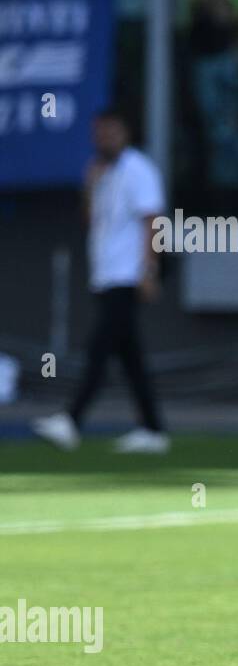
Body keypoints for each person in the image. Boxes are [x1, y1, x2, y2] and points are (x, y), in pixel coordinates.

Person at [32, 108, 169, 454]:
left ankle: (71, 419)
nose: (104, 139)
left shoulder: (139, 169)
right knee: (129, 356)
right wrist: (90, 188)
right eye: (99, 133)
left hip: (127, 275)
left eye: (110, 132)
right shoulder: (101, 173)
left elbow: (152, 220)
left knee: (99, 349)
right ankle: (153, 429)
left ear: (125, 132)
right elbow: (92, 222)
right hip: (105, 275)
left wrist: (149, 271)